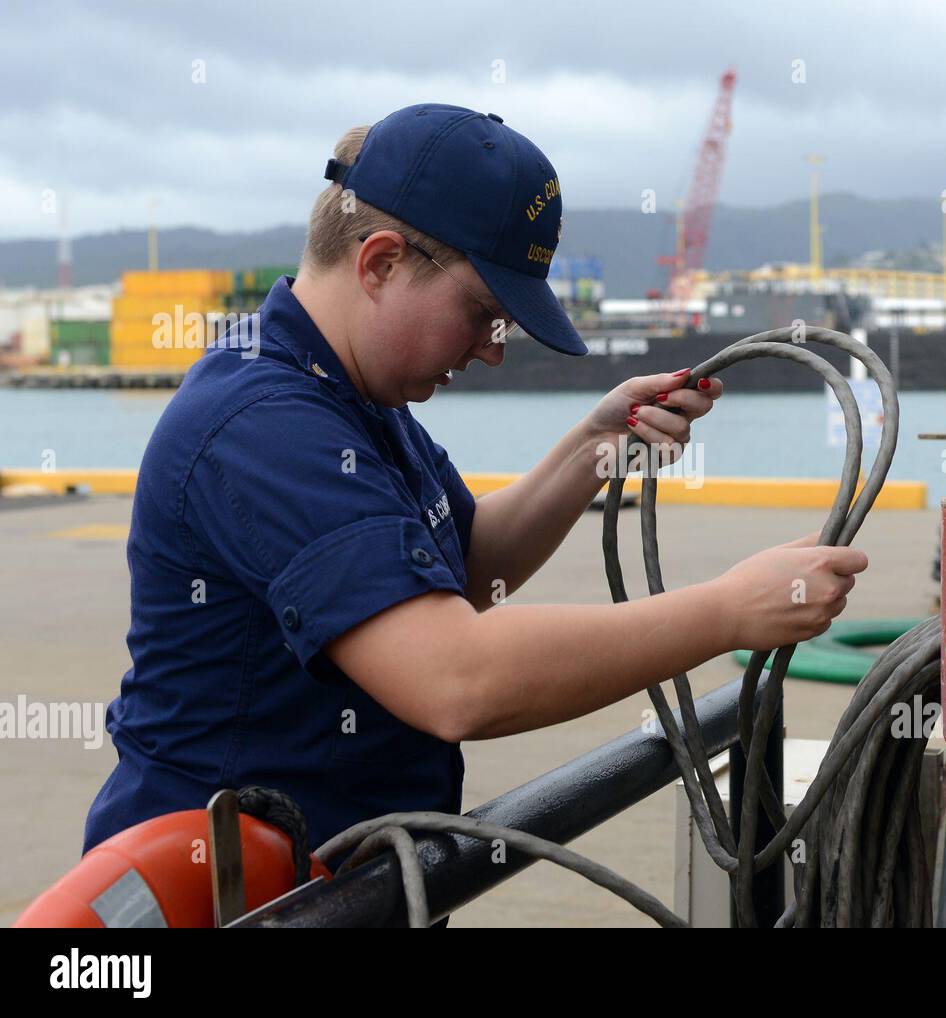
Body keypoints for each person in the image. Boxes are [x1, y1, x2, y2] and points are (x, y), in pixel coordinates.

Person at [83, 103, 869, 866]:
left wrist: (592, 449)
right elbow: (456, 679)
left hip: (325, 883)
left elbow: (463, 565)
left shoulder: (348, 394)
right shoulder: (262, 423)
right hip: (220, 894)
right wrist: (729, 610)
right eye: (483, 312)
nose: (493, 350)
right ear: (381, 262)